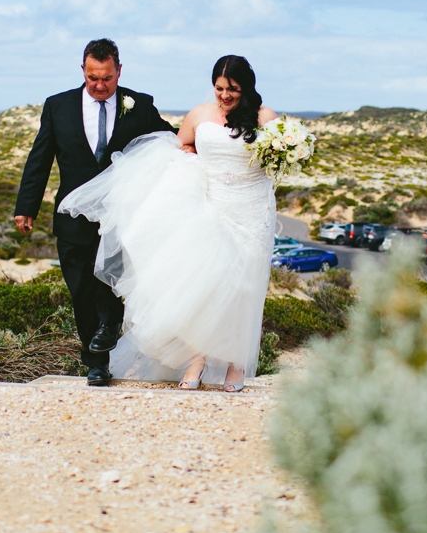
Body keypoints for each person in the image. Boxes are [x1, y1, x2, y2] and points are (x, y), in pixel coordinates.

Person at [59, 55, 277, 392]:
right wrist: (188, 153)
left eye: (232, 89)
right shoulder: (200, 114)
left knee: (245, 286)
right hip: (213, 204)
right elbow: (179, 144)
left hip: (252, 208)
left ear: (246, 87)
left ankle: (236, 365)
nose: (224, 95)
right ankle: (197, 358)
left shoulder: (266, 118)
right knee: (209, 285)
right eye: (219, 88)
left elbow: (276, 157)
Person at [14, 39, 175, 386]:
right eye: (92, 78)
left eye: (106, 78)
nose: (99, 85)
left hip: (121, 218)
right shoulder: (58, 106)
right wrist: (26, 207)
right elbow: (39, 159)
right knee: (81, 291)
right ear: (83, 71)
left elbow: (169, 139)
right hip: (72, 219)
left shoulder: (140, 105)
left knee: (113, 284)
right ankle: (95, 359)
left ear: (119, 71)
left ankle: (101, 352)